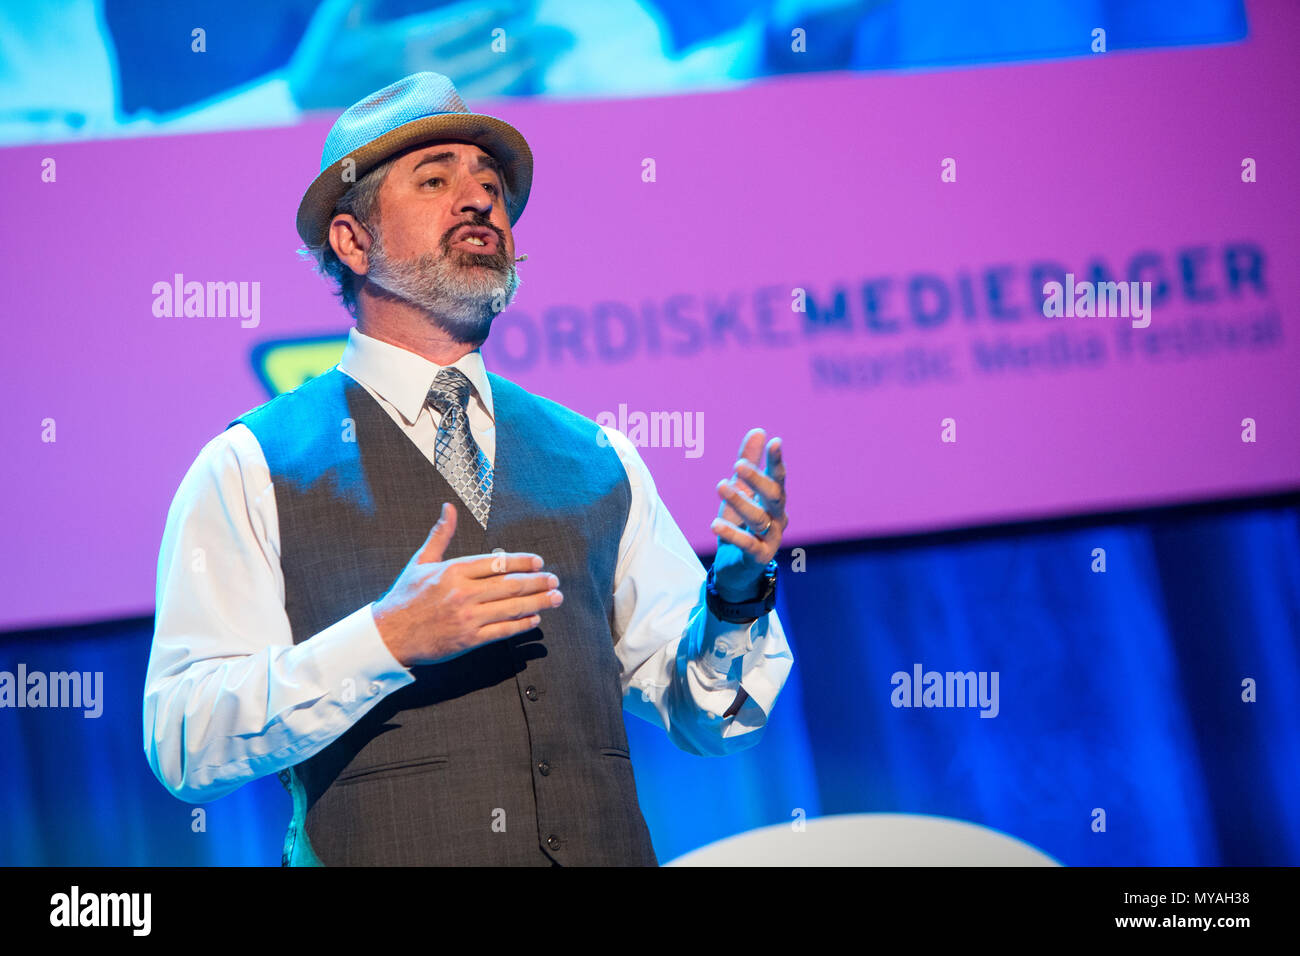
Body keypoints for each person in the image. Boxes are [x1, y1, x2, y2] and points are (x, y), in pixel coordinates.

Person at [143, 72, 793, 866]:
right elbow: (184, 742)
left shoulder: (596, 459)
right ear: (352, 242)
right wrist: (384, 638)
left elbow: (710, 716)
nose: (480, 199)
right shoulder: (250, 467)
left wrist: (734, 597)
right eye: (435, 180)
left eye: (490, 185)